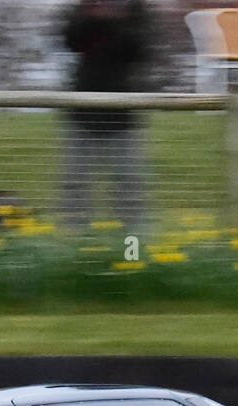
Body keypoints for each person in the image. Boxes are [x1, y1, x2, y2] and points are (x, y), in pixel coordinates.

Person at [59, 0, 152, 233]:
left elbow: (140, 50)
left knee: (128, 182)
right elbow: (70, 42)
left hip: (123, 112)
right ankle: (74, 243)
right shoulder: (84, 5)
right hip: (82, 109)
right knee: (74, 183)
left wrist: (112, 22)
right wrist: (93, 17)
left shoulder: (136, 8)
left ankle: (133, 243)